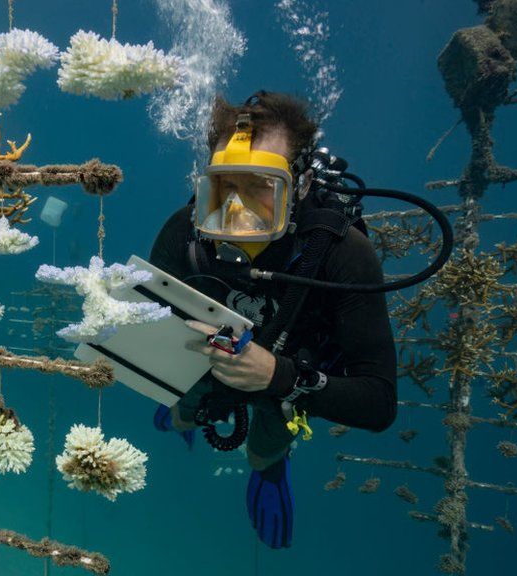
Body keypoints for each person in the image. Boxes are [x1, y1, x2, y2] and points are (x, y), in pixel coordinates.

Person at [150, 91, 397, 549]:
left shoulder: (341, 253)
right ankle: (182, 421)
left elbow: (379, 402)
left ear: (298, 185)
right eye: (226, 189)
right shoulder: (184, 232)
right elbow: (150, 326)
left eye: (262, 189)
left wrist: (279, 376)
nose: (239, 214)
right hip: (203, 364)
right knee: (181, 415)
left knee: (266, 447)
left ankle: (268, 471)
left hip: (286, 384)